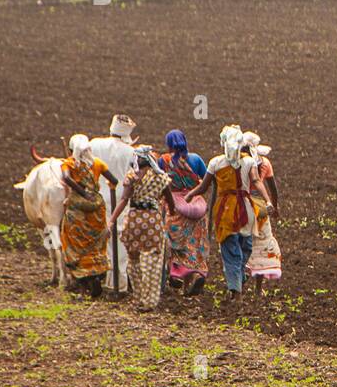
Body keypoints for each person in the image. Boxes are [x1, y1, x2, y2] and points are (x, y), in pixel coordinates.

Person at [183, 125, 274, 300]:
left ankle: (236, 286)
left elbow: (204, 186)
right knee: (244, 246)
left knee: (233, 249)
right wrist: (267, 200)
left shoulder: (216, 162)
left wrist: (190, 194)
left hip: (225, 212)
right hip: (245, 209)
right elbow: (256, 180)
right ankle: (236, 287)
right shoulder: (248, 161)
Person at [108, 146, 177, 310]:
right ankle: (149, 301)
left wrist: (111, 221)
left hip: (133, 221)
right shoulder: (161, 178)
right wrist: (169, 212)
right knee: (151, 262)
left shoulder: (132, 177)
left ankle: (138, 296)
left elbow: (124, 199)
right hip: (152, 221)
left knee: (133, 260)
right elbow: (171, 204)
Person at [59, 134, 119, 298]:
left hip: (77, 211)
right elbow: (113, 179)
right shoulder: (97, 163)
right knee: (96, 242)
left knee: (74, 242)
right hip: (96, 210)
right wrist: (103, 188)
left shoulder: (69, 164)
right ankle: (97, 273)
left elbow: (65, 178)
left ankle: (82, 280)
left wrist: (82, 192)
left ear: (72, 150)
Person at [89, 114, 139, 293]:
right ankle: (119, 283)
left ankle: (98, 277)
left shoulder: (94, 144)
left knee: (100, 237)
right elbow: (135, 176)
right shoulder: (131, 152)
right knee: (120, 241)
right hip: (121, 200)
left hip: (97, 198)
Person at [158, 129, 210, 296]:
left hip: (175, 207)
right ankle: (195, 276)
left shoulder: (163, 161)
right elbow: (206, 181)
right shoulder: (195, 159)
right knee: (195, 246)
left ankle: (177, 276)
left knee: (174, 245)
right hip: (197, 207)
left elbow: (162, 184)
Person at [242, 132, 282, 291]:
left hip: (242, 207)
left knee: (241, 242)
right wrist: (274, 206)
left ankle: (240, 275)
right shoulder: (265, 163)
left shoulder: (239, 162)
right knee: (262, 245)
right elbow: (273, 189)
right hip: (261, 210)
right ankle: (258, 288)